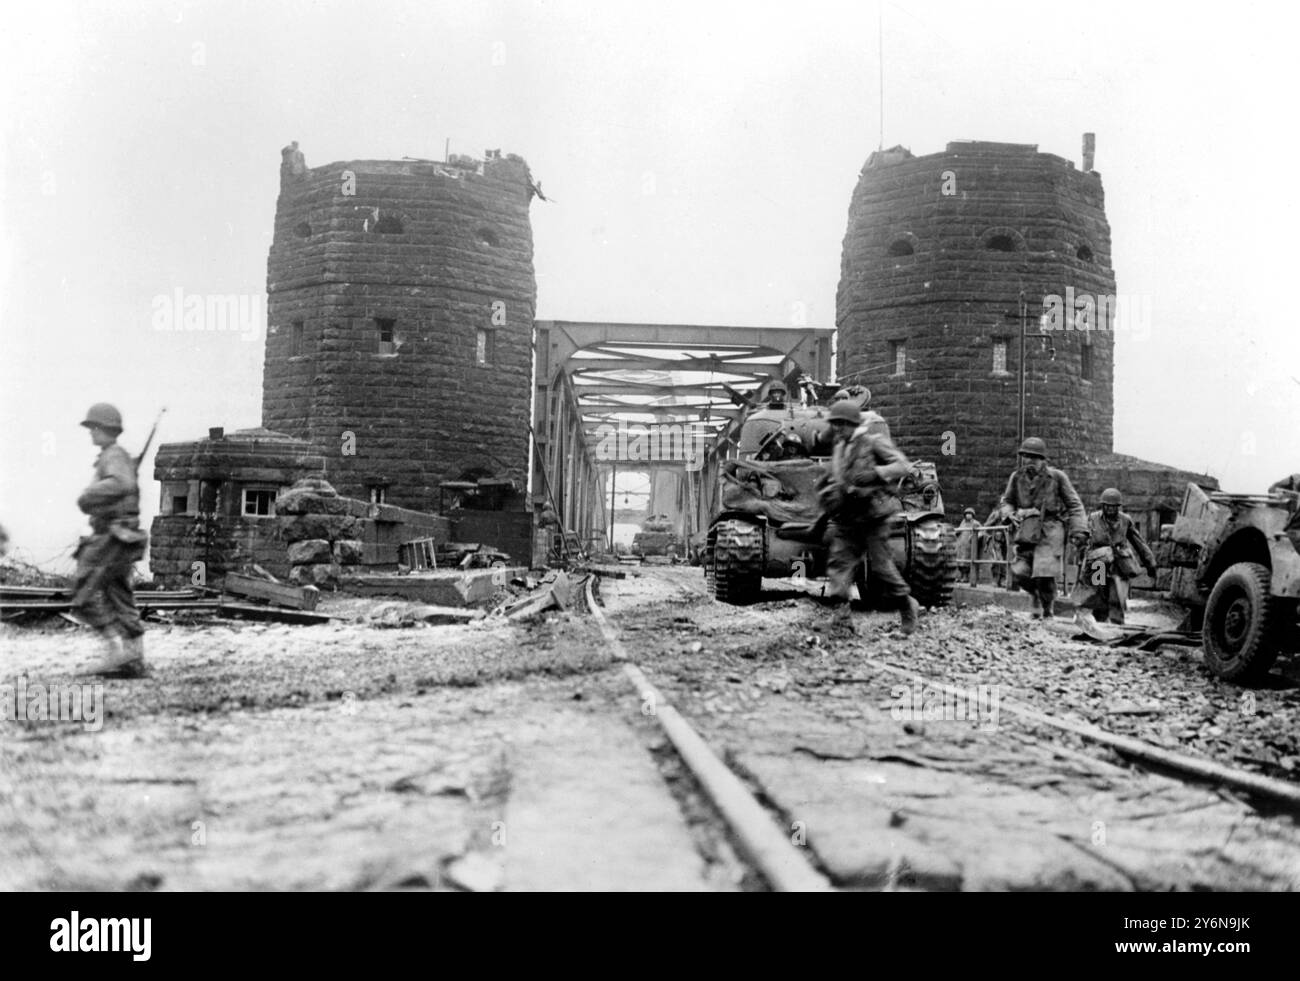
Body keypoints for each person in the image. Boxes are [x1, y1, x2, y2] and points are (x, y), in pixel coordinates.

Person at [818, 400, 920, 634]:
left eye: (841, 424)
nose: (837, 429)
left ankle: (907, 606)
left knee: (882, 566)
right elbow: (836, 475)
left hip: (874, 515)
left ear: (853, 423)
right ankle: (842, 620)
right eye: (835, 424)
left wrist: (876, 473)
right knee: (839, 565)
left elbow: (903, 466)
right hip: (848, 516)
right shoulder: (839, 448)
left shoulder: (873, 442)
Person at [71, 403, 149, 678]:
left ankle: (118, 650)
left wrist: (88, 495)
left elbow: (121, 484)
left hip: (112, 536)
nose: (91, 433)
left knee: (83, 592)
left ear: (105, 429)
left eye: (93, 427)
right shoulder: (114, 454)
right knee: (119, 594)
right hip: (120, 536)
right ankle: (134, 659)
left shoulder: (114, 455)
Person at [997, 437, 1087, 619]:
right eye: (1026, 457)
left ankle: (1047, 610)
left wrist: (1079, 530)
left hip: (1050, 530)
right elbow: (1007, 501)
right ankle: (1035, 595)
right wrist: (1008, 513)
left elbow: (1075, 505)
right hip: (1027, 529)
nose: (1030, 461)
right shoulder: (1016, 477)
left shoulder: (1057, 477)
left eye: (1035, 458)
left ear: (1043, 460)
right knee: (1019, 572)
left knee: (1045, 573)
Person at [1079, 488, 1157, 625]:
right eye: (1107, 506)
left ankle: (1117, 628)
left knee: (1117, 599)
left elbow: (1139, 542)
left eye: (1113, 506)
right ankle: (1100, 627)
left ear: (1118, 507)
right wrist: (1083, 561)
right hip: (1099, 563)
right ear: (1102, 505)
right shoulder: (1093, 518)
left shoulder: (1126, 520)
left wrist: (1150, 563)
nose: (1110, 509)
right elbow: (1084, 540)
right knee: (1099, 598)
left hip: (1119, 563)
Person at [955, 507, 980, 578]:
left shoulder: (976, 523)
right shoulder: (963, 523)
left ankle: (966, 576)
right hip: (961, 545)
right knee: (960, 561)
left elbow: (980, 532)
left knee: (967, 561)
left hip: (969, 545)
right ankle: (961, 576)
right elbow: (958, 531)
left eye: (970, 514)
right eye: (967, 513)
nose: (968, 515)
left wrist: (974, 537)